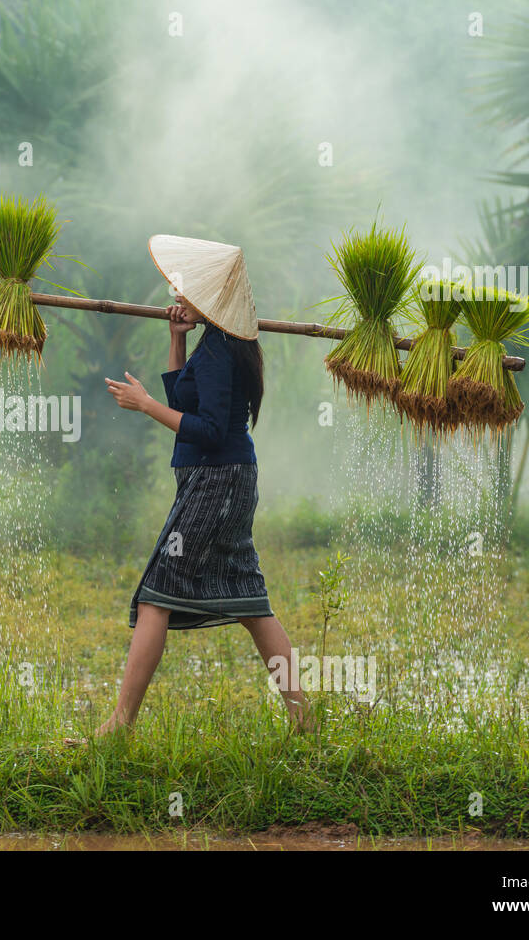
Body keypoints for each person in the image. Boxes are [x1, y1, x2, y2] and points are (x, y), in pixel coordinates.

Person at [94, 235, 309, 739]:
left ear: (209, 298)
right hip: (223, 481)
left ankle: (119, 726)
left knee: (155, 596)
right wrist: (176, 339)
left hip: (216, 482)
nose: (177, 293)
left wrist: (146, 404)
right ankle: (303, 720)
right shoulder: (217, 344)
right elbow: (189, 402)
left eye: (186, 289)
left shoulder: (220, 350)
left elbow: (208, 430)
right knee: (252, 603)